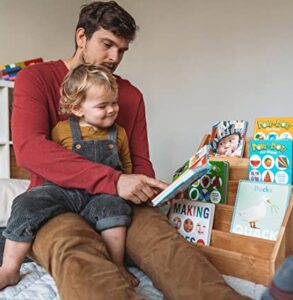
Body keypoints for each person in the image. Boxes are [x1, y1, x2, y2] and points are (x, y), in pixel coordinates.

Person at [8, 1, 247, 299]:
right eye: (107, 44)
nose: (114, 57)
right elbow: (30, 149)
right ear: (81, 37)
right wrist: (113, 180)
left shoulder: (130, 95)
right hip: (55, 204)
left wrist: (152, 189)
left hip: (120, 205)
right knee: (76, 254)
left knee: (168, 247)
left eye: (122, 50)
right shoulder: (37, 78)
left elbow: (140, 163)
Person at [0, 63, 140, 289]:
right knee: (25, 203)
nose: (112, 109)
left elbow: (126, 167)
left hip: (103, 193)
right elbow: (52, 163)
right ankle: (9, 269)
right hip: (63, 191)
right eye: (102, 105)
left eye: (114, 102)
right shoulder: (62, 130)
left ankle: (117, 265)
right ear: (77, 109)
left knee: (116, 210)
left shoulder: (119, 133)